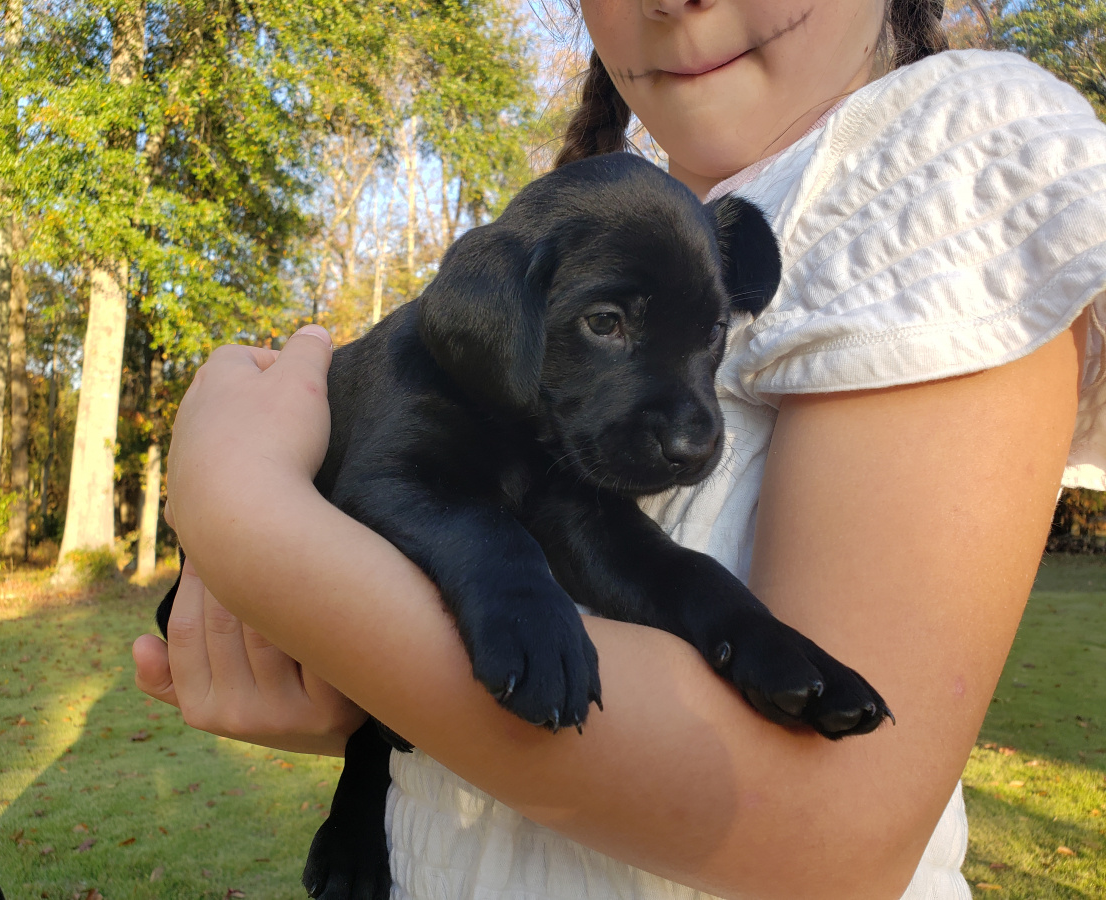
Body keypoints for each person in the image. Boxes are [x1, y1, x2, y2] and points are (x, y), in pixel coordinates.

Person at [133, 1, 1106, 898]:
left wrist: (238, 508)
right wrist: (336, 683)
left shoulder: (955, 165)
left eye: (709, 337)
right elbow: (479, 517)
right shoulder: (569, 238)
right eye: (607, 325)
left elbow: (833, 831)